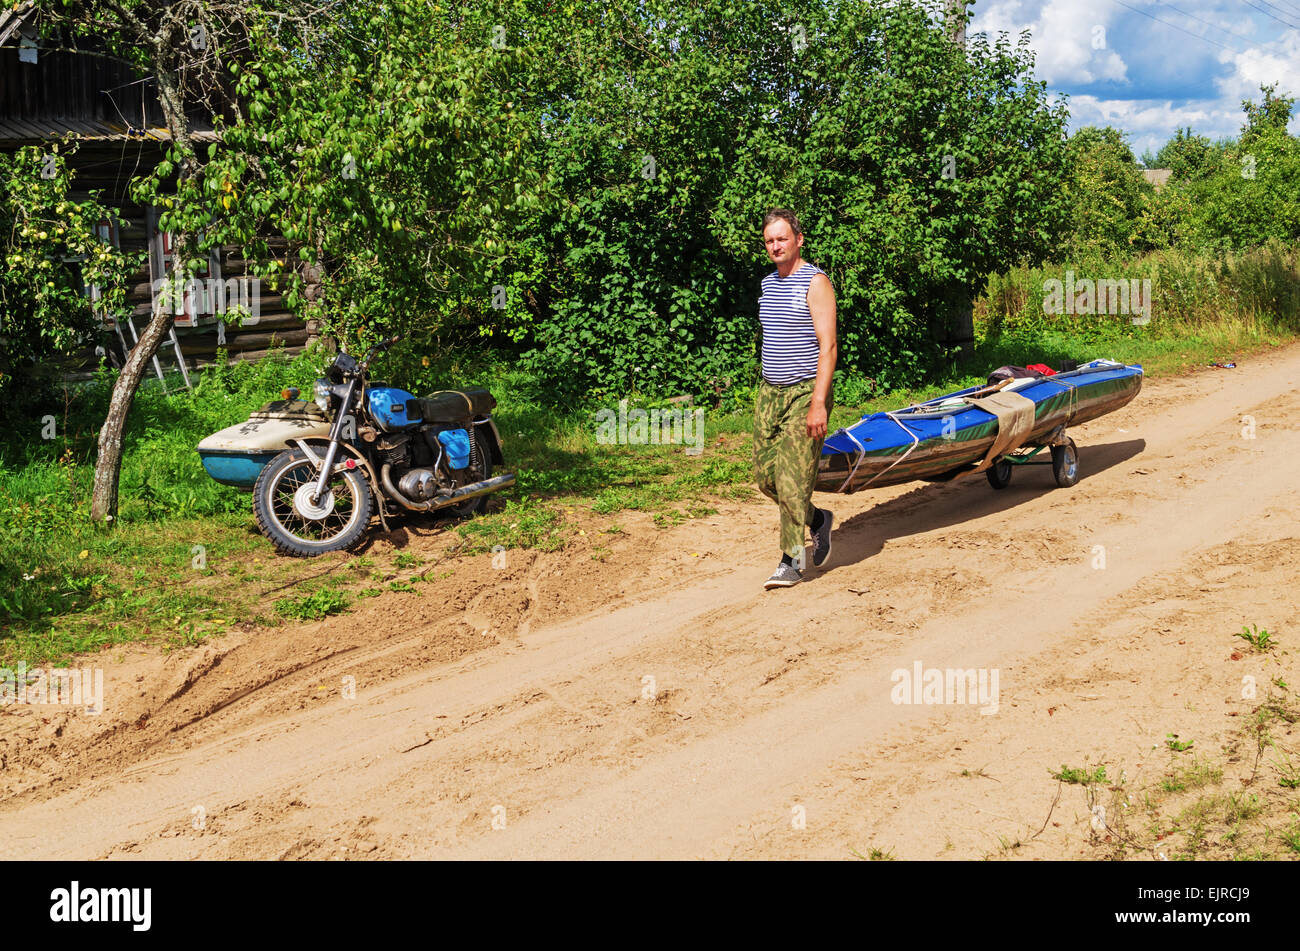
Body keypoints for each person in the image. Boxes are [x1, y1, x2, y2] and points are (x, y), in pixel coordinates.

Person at [753, 208, 837, 589]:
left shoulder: (815, 282)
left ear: (798, 240)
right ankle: (817, 520)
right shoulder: (769, 284)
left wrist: (819, 401)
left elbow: (828, 345)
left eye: (782, 238)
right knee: (766, 479)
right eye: (770, 240)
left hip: (805, 392)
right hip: (771, 392)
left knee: (791, 481)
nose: (776, 246)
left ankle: (791, 560)